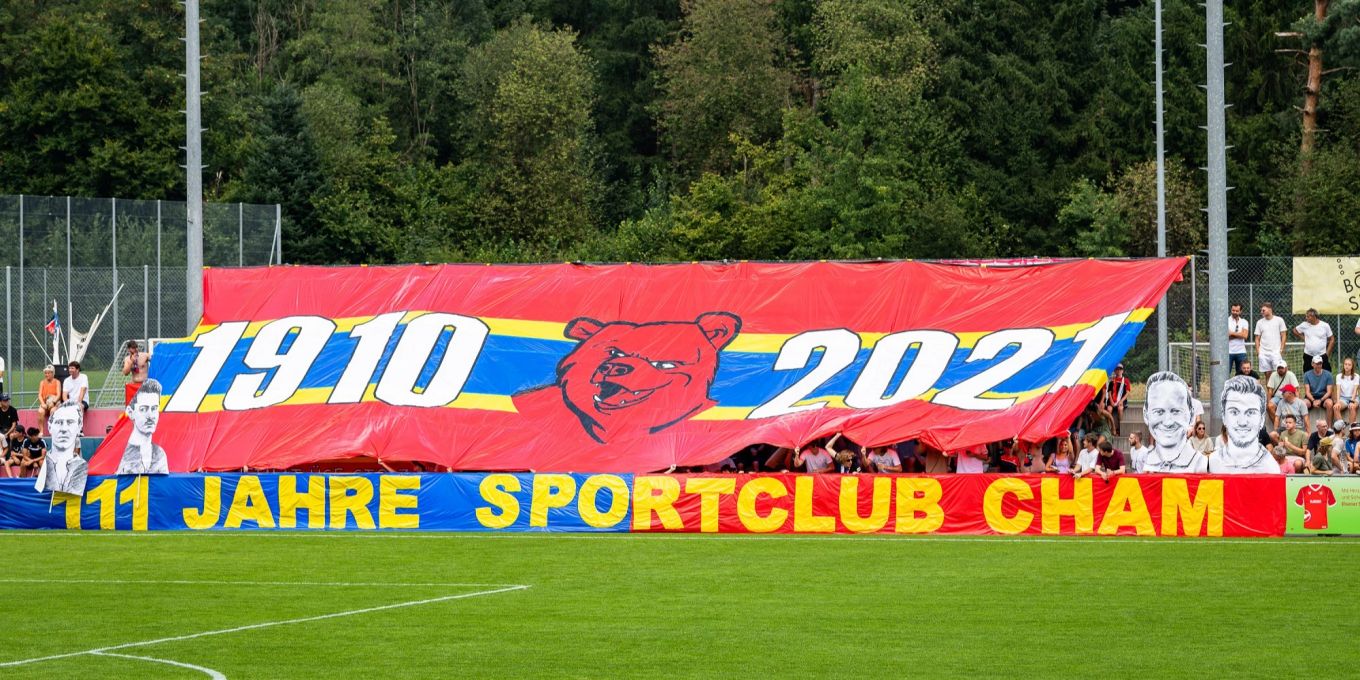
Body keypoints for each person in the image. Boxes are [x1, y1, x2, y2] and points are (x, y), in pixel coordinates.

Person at [1210, 375, 1282, 473]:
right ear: (1224, 416)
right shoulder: (1213, 462)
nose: (1242, 422)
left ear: (1261, 419)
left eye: (1251, 412)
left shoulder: (1270, 468)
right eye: (1234, 412)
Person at [1142, 371, 1209, 473]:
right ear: (1146, 415)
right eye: (1159, 412)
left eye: (1176, 411)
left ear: (1191, 415)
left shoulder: (1200, 463)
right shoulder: (1145, 460)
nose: (1168, 422)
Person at [117, 379, 169, 475]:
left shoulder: (160, 454)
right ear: (130, 412)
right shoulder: (121, 453)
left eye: (154, 408)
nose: (150, 415)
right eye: (143, 409)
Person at [34, 400, 86, 495]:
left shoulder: (79, 466)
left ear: (79, 427)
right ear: (49, 427)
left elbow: (77, 453)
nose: (64, 429)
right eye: (59, 422)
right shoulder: (48, 462)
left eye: (70, 422)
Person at [1254, 302, 1288, 372]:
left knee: (1278, 372)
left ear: (1270, 309)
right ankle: (1268, 384)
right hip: (1263, 353)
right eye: (1261, 310)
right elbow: (1257, 338)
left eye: (1263, 310)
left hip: (1276, 352)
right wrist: (1259, 352)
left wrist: (1281, 350)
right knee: (1267, 374)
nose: (1261, 312)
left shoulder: (1279, 320)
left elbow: (1283, 335)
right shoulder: (1259, 322)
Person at [1103, 364, 1132, 435]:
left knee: (1120, 409)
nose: (1118, 371)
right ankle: (1109, 428)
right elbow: (1109, 393)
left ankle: (1119, 428)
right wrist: (1111, 402)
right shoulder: (1112, 381)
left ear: (1122, 371)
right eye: (1117, 369)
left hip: (1121, 401)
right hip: (1112, 401)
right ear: (1115, 371)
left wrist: (1121, 401)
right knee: (1109, 409)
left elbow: (1127, 393)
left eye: (1120, 369)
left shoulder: (1126, 380)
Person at [121, 339, 149, 406]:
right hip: (134, 386)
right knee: (135, 407)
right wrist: (131, 362)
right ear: (129, 349)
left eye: (136, 347)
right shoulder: (127, 359)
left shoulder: (144, 356)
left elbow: (155, 358)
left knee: (145, 406)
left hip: (145, 384)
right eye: (133, 348)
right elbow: (125, 373)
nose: (135, 349)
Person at [36, 365, 62, 436]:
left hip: (54, 402)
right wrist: (42, 403)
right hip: (45, 402)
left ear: (53, 373)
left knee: (53, 411)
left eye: (49, 373)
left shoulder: (57, 382)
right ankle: (41, 431)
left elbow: (58, 394)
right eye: (46, 373)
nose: (47, 375)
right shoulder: (42, 382)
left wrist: (53, 402)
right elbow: (40, 395)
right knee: (40, 411)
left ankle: (52, 431)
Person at [1333, 357, 1359, 424]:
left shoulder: (1357, 376)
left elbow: (1355, 390)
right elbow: (1338, 390)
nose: (1347, 366)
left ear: (1352, 366)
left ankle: (1351, 430)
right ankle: (1342, 428)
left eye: (1349, 365)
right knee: (1336, 407)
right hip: (1343, 398)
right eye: (1345, 364)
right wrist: (1338, 402)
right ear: (1343, 365)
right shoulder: (1338, 376)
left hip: (1354, 398)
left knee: (1352, 407)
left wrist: (1352, 401)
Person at [1228, 303, 1251, 374]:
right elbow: (1225, 337)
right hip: (1228, 352)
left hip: (1241, 352)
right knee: (1225, 373)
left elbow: (1245, 336)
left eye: (1237, 311)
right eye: (1233, 310)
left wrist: (1232, 333)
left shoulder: (1244, 322)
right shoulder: (1226, 321)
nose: (1234, 312)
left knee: (1241, 374)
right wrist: (1240, 334)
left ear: (1240, 311)